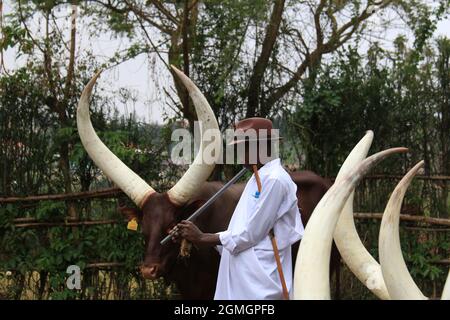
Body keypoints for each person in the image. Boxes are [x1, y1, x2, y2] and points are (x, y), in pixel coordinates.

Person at [171, 117, 304, 299]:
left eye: (244, 147)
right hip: (244, 277)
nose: (240, 154)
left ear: (262, 146)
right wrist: (193, 237)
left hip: (259, 283)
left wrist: (202, 237)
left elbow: (250, 234)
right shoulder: (257, 177)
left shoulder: (274, 180)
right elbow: (238, 231)